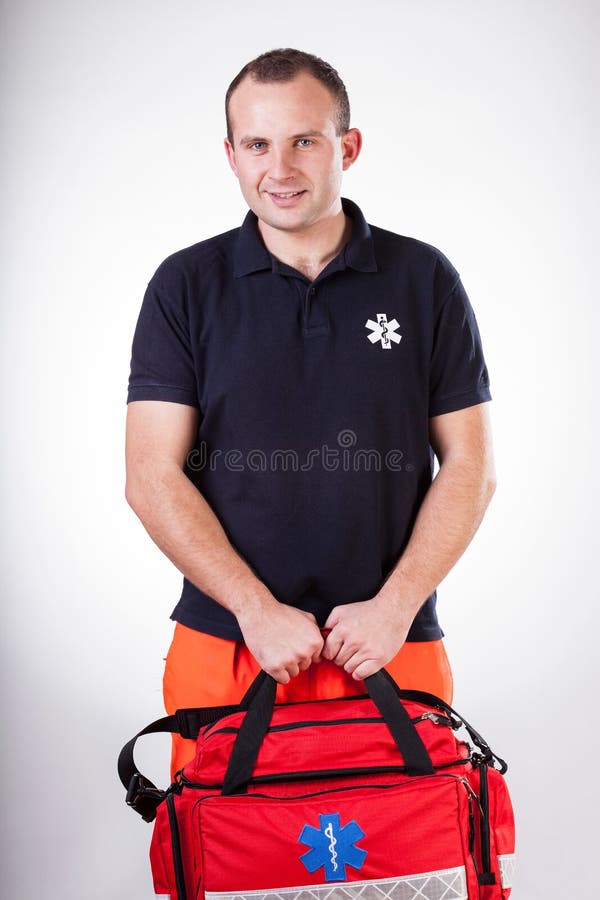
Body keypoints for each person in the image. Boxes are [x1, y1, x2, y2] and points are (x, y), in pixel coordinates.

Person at [125, 48, 496, 778]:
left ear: (348, 147)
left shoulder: (423, 278)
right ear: (230, 156)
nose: (280, 167)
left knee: (406, 872)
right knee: (227, 874)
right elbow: (150, 474)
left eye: (305, 140)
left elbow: (471, 465)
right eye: (258, 144)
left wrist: (395, 606)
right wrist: (254, 609)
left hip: (389, 643)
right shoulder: (185, 286)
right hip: (230, 644)